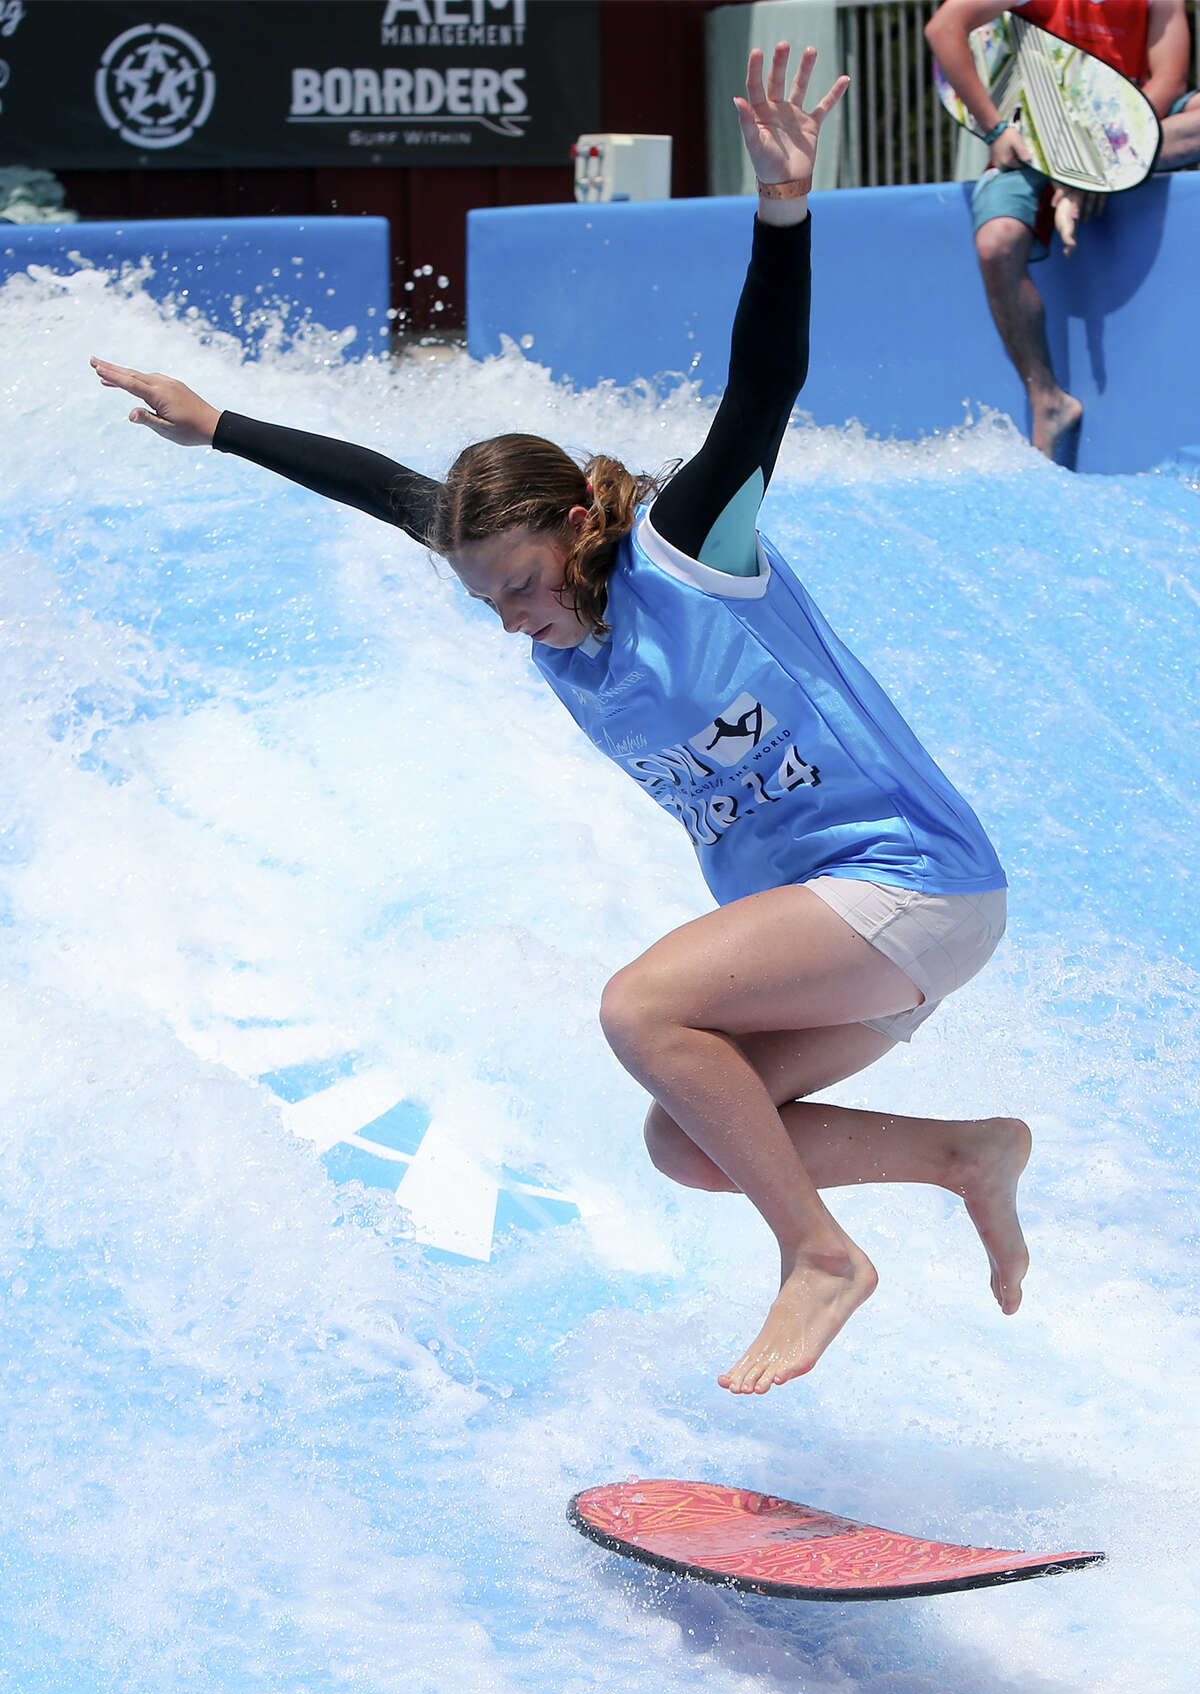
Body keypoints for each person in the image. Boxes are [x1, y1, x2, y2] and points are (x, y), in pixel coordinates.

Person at [92, 44, 1030, 1397]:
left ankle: (819, 1255)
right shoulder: (524, 588)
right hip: (864, 926)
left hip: (910, 881)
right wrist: (221, 422)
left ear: (581, 525)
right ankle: (962, 1153)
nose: (513, 617)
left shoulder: (687, 549)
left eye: (524, 585)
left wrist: (781, 210)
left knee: (643, 1005)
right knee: (691, 1134)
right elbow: (384, 486)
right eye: (487, 601)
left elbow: (762, 387)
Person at [926, 0, 1200, 463]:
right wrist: (995, 130)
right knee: (996, 244)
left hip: (1125, 135)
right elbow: (943, 28)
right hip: (1031, 141)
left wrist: (1101, 159)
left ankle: (1086, 180)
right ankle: (1046, 397)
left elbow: (1169, 79)